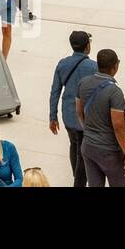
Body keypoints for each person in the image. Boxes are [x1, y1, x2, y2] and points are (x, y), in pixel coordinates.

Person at [75, 48, 125, 187]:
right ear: (115, 67)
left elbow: (79, 112)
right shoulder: (115, 92)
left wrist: (89, 131)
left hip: (88, 147)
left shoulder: (83, 83)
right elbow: (118, 127)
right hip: (109, 152)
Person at [49, 30, 96, 187]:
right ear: (87, 46)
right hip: (86, 117)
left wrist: (52, 117)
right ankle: (79, 182)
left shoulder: (63, 64)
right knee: (83, 152)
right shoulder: (94, 67)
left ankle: (77, 177)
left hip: (68, 115)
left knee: (74, 145)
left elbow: (55, 92)